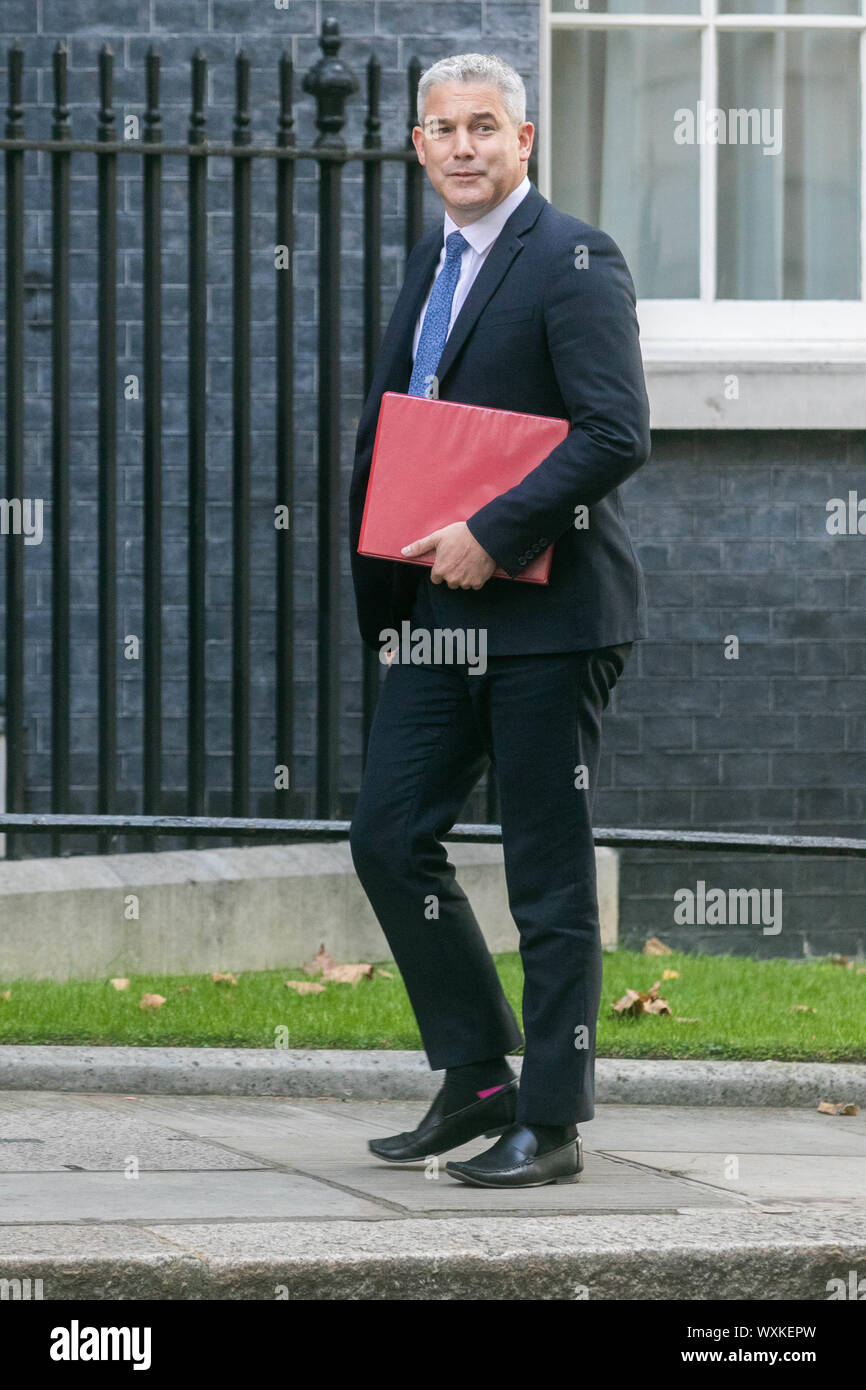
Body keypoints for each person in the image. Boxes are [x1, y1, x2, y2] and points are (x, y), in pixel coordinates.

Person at [347, 52, 651, 1188]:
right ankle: (477, 1076)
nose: (463, 145)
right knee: (386, 832)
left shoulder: (573, 258)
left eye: (485, 126)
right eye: (442, 128)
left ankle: (553, 1121)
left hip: (550, 613)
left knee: (546, 874)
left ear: (523, 142)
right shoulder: (437, 257)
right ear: (418, 146)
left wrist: (494, 526)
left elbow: (614, 432)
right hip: (437, 610)